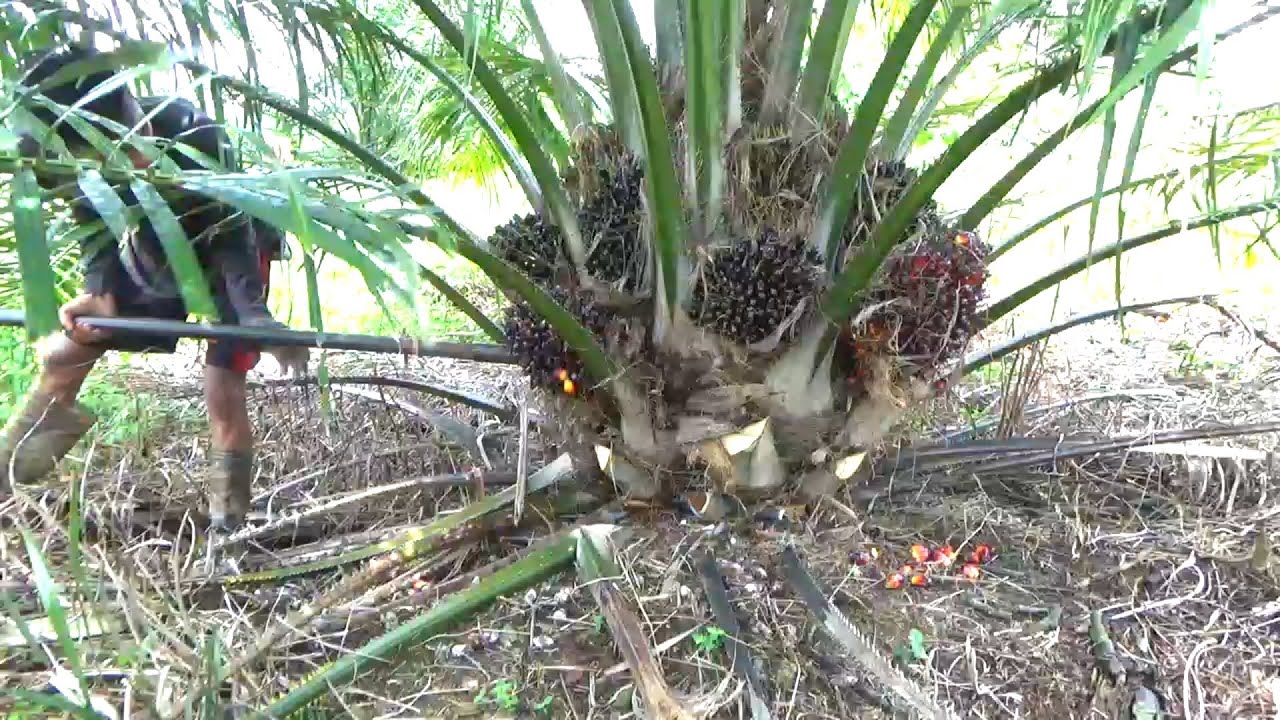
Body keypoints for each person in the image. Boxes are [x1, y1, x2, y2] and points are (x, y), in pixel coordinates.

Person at [1, 44, 308, 538]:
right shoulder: (75, 155)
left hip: (229, 257)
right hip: (152, 251)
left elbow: (233, 229)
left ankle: (226, 531)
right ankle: (4, 483)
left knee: (223, 389)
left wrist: (251, 317)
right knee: (67, 355)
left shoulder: (193, 131)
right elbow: (94, 227)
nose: (135, 158)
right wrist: (99, 291)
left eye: (133, 141)